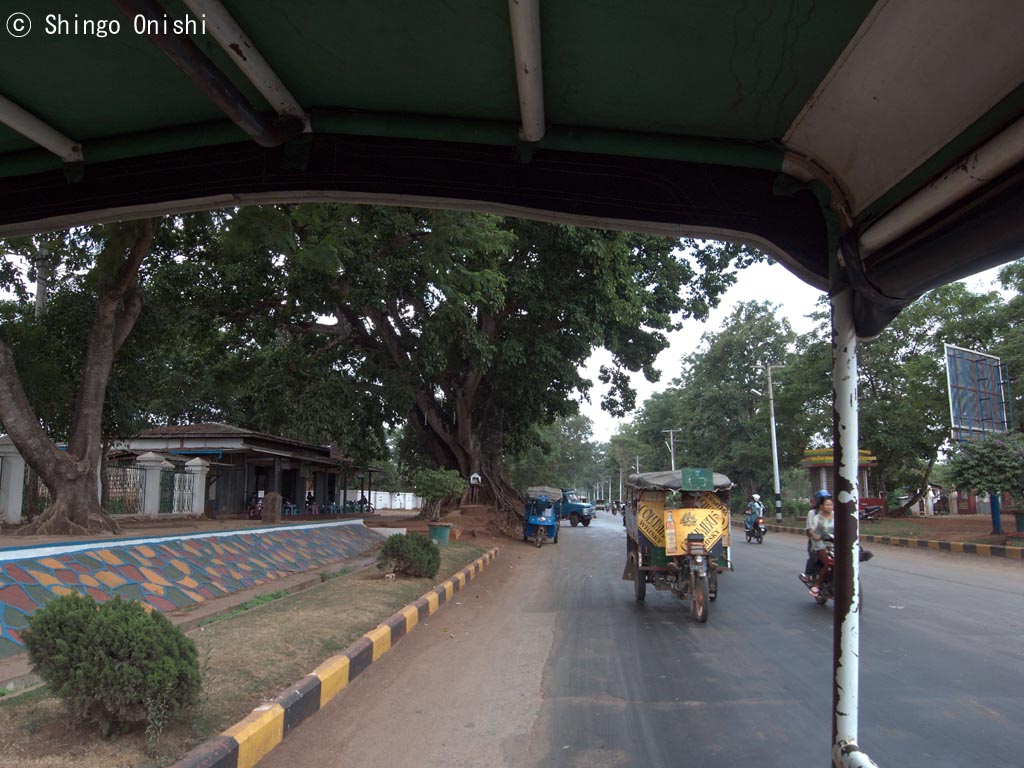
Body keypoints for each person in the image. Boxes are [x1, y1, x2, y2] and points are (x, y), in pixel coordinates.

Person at [800, 490, 833, 583]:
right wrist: (815, 536)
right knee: (814, 556)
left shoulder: (832, 513)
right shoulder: (813, 513)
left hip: (831, 540)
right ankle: (807, 575)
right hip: (817, 541)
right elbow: (809, 529)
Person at [807, 500, 835, 596]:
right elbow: (810, 530)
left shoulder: (836, 516)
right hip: (820, 543)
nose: (829, 507)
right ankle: (817, 586)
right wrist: (815, 536)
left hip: (834, 542)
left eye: (831, 505)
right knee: (827, 564)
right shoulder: (817, 518)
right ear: (821, 506)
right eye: (827, 505)